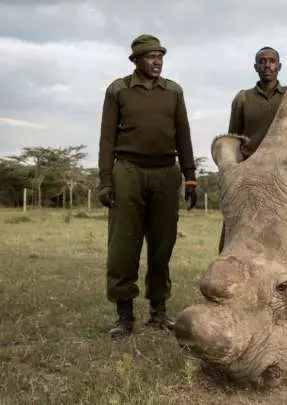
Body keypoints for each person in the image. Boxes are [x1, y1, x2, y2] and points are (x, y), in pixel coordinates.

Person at [98, 34, 198, 338]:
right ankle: (124, 316)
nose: (157, 61)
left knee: (162, 245)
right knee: (123, 247)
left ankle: (159, 311)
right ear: (136, 60)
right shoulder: (118, 90)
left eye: (160, 56)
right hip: (127, 171)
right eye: (151, 56)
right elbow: (106, 138)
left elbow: (183, 134)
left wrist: (190, 176)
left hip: (166, 173)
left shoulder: (174, 91)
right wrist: (105, 180)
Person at [217, 46, 287, 253]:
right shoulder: (243, 99)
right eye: (262, 61)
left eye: (272, 61)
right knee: (237, 228)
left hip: (280, 175)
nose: (267, 65)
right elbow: (234, 140)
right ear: (255, 67)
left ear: (279, 66)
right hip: (249, 175)